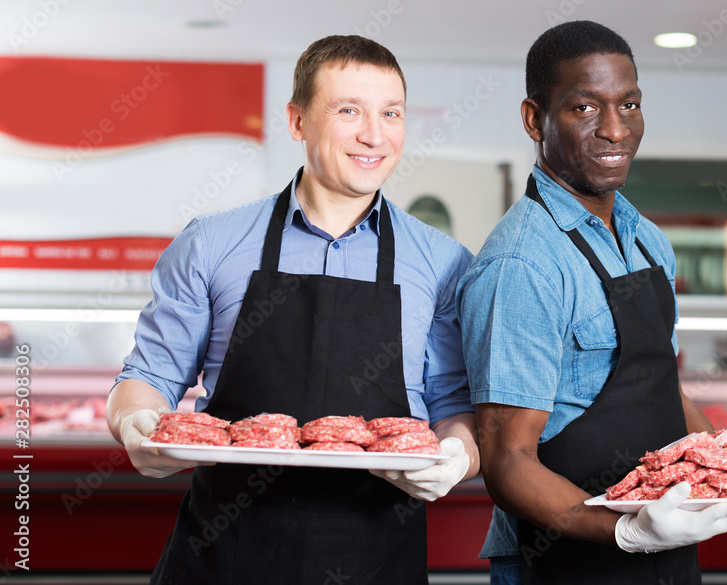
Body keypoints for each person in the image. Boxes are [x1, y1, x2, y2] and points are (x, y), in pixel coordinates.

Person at [106, 35, 479, 585]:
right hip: (227, 552)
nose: (374, 135)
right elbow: (148, 377)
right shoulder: (211, 244)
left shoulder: (445, 262)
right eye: (348, 110)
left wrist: (459, 458)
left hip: (376, 557)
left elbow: (454, 405)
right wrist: (131, 424)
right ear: (298, 120)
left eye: (391, 113)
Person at [457, 21, 727, 585]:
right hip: (565, 556)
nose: (614, 129)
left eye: (628, 104)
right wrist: (627, 531)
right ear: (535, 118)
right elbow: (507, 461)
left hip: (666, 546)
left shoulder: (646, 239)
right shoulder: (522, 264)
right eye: (585, 108)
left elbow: (662, 389)